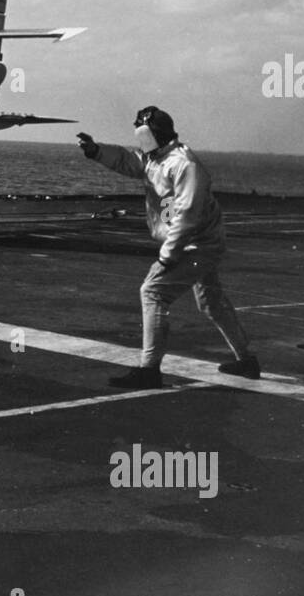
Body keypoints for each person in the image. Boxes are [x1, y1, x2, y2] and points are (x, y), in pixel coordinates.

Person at [77, 106, 259, 388]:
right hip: (196, 243)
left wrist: (168, 256)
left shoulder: (184, 165)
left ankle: (149, 370)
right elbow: (129, 161)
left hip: (197, 245)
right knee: (211, 301)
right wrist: (96, 151)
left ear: (154, 134)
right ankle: (247, 360)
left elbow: (187, 216)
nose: (141, 140)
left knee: (153, 292)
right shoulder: (156, 159)